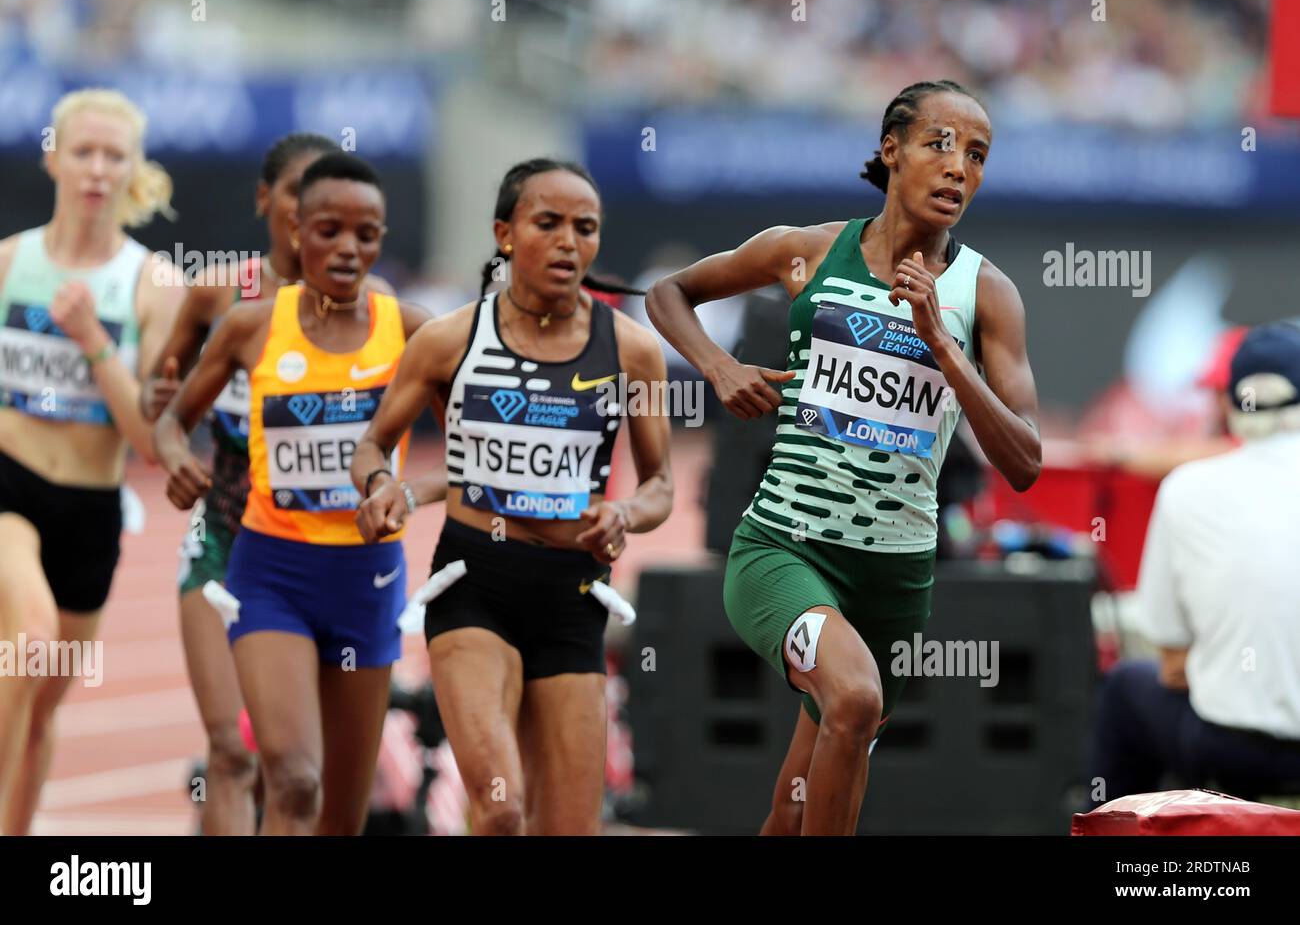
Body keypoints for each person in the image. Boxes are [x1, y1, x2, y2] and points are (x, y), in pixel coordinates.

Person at [647, 80, 1042, 835]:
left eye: (979, 155)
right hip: (783, 548)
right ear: (891, 151)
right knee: (856, 700)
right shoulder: (805, 253)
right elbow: (670, 295)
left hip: (894, 577)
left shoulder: (986, 295)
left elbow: (1024, 460)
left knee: (793, 808)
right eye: (940, 144)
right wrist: (721, 369)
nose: (960, 167)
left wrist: (943, 348)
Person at [350, 158, 674, 835]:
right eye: (547, 223)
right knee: (499, 809)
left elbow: (660, 486)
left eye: (584, 228)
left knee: (570, 828)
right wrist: (382, 487)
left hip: (574, 600)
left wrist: (624, 513)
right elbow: (373, 445)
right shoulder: (449, 341)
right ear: (505, 233)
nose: (568, 242)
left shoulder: (633, 352)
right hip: (474, 585)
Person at [153, 152, 432, 835]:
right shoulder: (250, 324)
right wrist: (173, 459)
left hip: (368, 579)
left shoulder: (416, 330)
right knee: (294, 780)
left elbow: (471, 458)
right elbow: (171, 419)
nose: (347, 248)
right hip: (269, 570)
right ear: (295, 228)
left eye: (366, 235)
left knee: (342, 814)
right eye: (329, 230)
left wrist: (408, 491)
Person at [0, 88, 185, 834]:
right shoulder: (10, 260)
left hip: (92, 505)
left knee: (41, 709)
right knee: (31, 641)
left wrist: (94, 341)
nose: (98, 170)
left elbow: (149, 440)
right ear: (54, 157)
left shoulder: (153, 284)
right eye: (84, 152)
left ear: (133, 168)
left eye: (116, 156)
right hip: (8, 482)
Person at [1089, 322, 1300, 803]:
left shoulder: (1187, 486)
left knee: (1125, 688)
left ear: (1229, 405)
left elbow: (1172, 667)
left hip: (1231, 751)